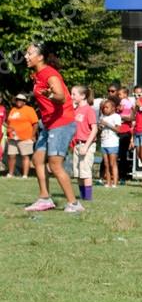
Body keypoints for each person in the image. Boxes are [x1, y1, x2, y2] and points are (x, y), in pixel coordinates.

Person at [23, 43, 82, 213]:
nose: (26, 56)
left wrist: (49, 94)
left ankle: (74, 204)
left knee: (55, 165)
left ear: (40, 57)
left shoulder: (49, 74)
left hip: (61, 123)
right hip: (49, 124)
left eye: (30, 53)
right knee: (37, 159)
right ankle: (44, 199)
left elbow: (61, 97)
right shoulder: (38, 74)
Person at [70, 86, 97, 201]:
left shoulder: (89, 110)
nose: (72, 97)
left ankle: (88, 198)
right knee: (78, 173)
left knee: (85, 172)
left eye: (74, 94)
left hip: (86, 144)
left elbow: (94, 129)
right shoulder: (75, 110)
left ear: (83, 96)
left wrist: (86, 146)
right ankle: (82, 196)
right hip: (77, 144)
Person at [5, 93, 38, 178]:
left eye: (21, 100)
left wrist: (33, 136)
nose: (19, 101)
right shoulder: (13, 110)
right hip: (12, 138)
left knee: (25, 156)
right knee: (11, 156)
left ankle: (25, 175)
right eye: (17, 99)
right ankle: (10, 174)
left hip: (25, 138)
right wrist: (8, 134)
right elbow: (9, 123)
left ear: (24, 102)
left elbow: (35, 124)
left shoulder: (29, 110)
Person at [97, 99, 123, 188]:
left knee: (113, 163)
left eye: (107, 107)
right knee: (106, 164)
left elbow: (118, 130)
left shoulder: (116, 116)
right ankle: (108, 182)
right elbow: (100, 130)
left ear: (113, 108)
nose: (105, 109)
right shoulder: (103, 117)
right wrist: (100, 127)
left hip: (113, 143)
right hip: (104, 143)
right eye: (104, 107)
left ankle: (115, 182)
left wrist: (107, 124)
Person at [116, 86, 134, 184]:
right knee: (123, 155)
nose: (119, 96)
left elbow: (121, 110)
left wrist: (118, 110)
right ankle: (121, 176)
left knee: (120, 155)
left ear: (125, 94)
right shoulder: (130, 103)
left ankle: (121, 176)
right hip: (123, 130)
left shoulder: (123, 102)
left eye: (120, 94)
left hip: (123, 131)